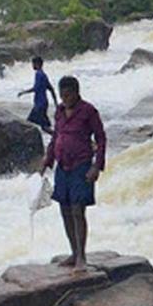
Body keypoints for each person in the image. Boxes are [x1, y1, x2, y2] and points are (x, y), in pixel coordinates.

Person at [41, 76, 106, 272]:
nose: (65, 99)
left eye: (68, 95)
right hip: (62, 166)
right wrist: (48, 159)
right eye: (62, 95)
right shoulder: (59, 111)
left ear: (77, 93)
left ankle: (82, 257)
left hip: (81, 166)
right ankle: (74, 252)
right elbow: (56, 137)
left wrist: (97, 166)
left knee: (78, 210)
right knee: (65, 209)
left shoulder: (88, 111)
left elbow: (101, 138)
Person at [17, 56, 57, 134]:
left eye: (33, 64)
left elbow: (35, 88)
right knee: (43, 126)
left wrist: (23, 92)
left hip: (39, 104)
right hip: (44, 103)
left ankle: (58, 137)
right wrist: (56, 103)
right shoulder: (44, 75)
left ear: (37, 64)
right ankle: (57, 137)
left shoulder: (38, 74)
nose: (32, 66)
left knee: (29, 123)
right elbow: (51, 89)